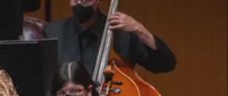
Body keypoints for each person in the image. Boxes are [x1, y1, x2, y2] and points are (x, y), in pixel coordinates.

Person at [45, 0, 177, 81]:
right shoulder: (53, 32)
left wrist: (140, 30)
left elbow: (165, 64)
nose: (80, 2)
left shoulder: (123, 32)